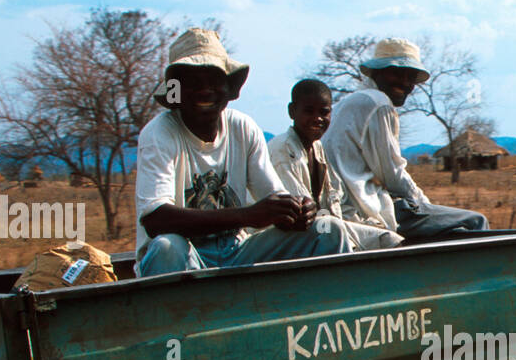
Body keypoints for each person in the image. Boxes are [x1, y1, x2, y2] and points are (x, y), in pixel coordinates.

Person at [135, 28, 353, 277]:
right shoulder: (160, 133)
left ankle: (326, 311)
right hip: (187, 257)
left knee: (329, 229)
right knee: (166, 247)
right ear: (177, 90)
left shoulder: (242, 127)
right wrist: (246, 215)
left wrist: (297, 209)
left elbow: (273, 196)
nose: (205, 91)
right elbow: (155, 220)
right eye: (193, 82)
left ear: (227, 88)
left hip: (237, 253)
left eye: (213, 81)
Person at [322, 38, 489, 244]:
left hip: (344, 205)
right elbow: (392, 174)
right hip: (365, 208)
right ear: (377, 72)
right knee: (476, 222)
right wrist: (424, 204)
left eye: (411, 77)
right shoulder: (378, 103)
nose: (405, 83)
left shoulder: (348, 103)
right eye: (397, 73)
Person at [267, 79, 404, 251]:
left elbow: (335, 204)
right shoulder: (283, 150)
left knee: (386, 237)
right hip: (289, 237)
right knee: (338, 233)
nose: (317, 119)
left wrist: (364, 225)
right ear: (292, 111)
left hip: (321, 228)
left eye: (324, 113)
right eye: (309, 111)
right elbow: (302, 216)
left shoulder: (317, 148)